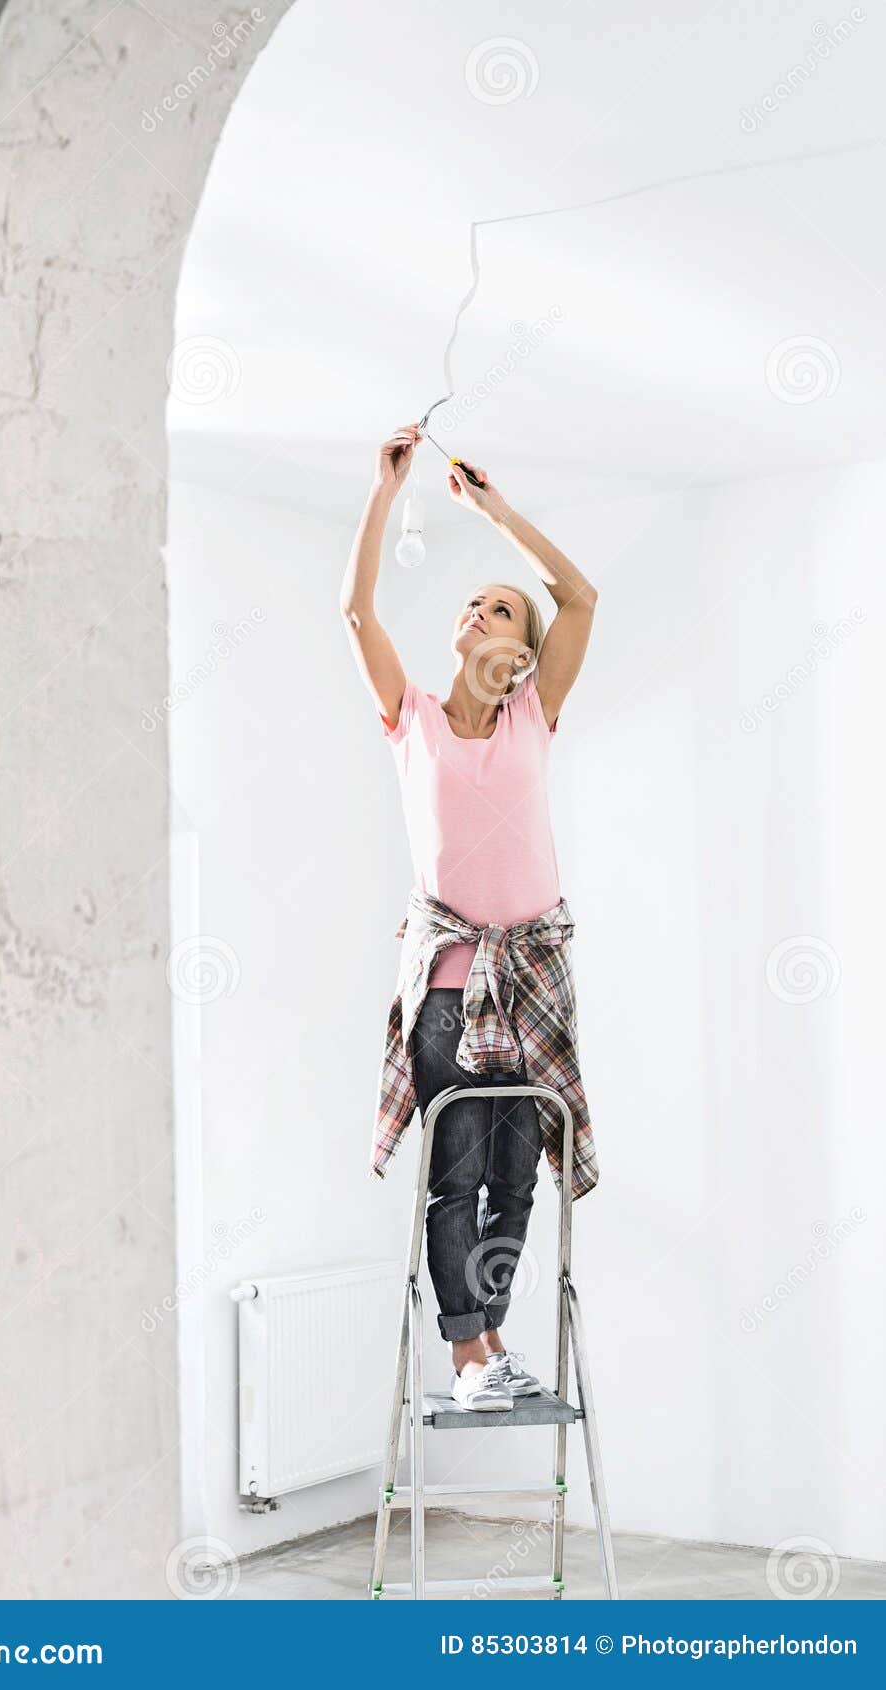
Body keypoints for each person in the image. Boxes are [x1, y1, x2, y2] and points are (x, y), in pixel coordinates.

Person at [340, 423, 599, 1411]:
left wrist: (490, 509)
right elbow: (352, 609)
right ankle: (464, 1361)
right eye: (471, 600)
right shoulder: (409, 718)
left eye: (497, 609)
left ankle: (491, 1342)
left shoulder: (533, 715)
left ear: (520, 655)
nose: (477, 610)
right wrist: (384, 490)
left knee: (517, 1180)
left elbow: (577, 598)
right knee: (456, 1172)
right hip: (450, 986)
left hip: (530, 979)